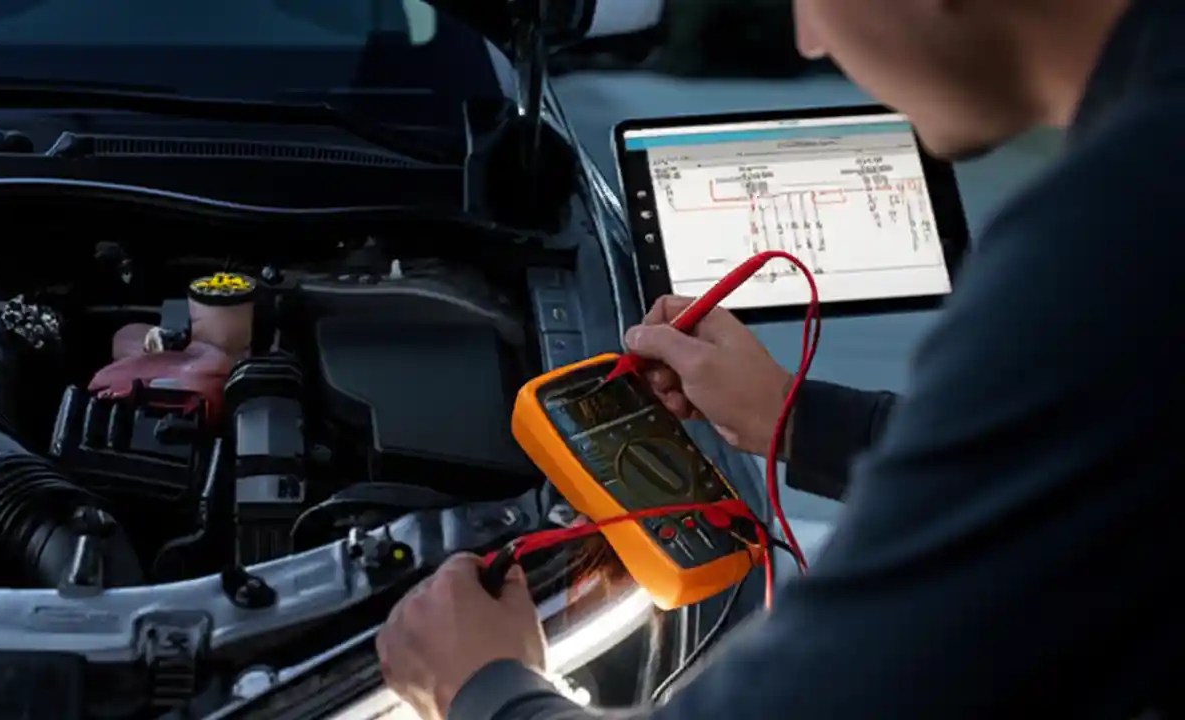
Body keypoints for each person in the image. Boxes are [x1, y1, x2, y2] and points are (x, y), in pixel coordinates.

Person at [376, 0, 1185, 716]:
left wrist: (484, 688)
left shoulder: (1111, 247)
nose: (806, 40)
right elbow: (1058, 466)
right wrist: (797, 420)